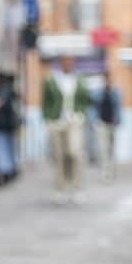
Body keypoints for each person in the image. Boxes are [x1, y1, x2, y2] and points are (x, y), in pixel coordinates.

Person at [42, 55, 90, 201]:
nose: (68, 63)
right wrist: (48, 119)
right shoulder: (51, 79)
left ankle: (77, 187)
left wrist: (81, 114)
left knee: (75, 153)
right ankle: (60, 187)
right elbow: (45, 101)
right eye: (65, 61)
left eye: (70, 61)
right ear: (61, 63)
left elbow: (84, 99)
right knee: (59, 155)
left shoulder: (80, 80)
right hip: (57, 122)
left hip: (74, 121)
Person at [0, 73, 21, 185]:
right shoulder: (11, 91)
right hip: (9, 125)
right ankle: (10, 169)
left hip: (2, 125)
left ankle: (6, 171)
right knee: (9, 147)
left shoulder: (4, 91)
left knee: (3, 148)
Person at [95, 72, 120, 183]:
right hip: (101, 124)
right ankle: (105, 174)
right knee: (103, 149)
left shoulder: (115, 92)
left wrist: (118, 121)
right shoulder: (99, 92)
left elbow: (118, 107)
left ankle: (111, 171)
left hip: (112, 124)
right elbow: (95, 104)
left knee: (111, 149)